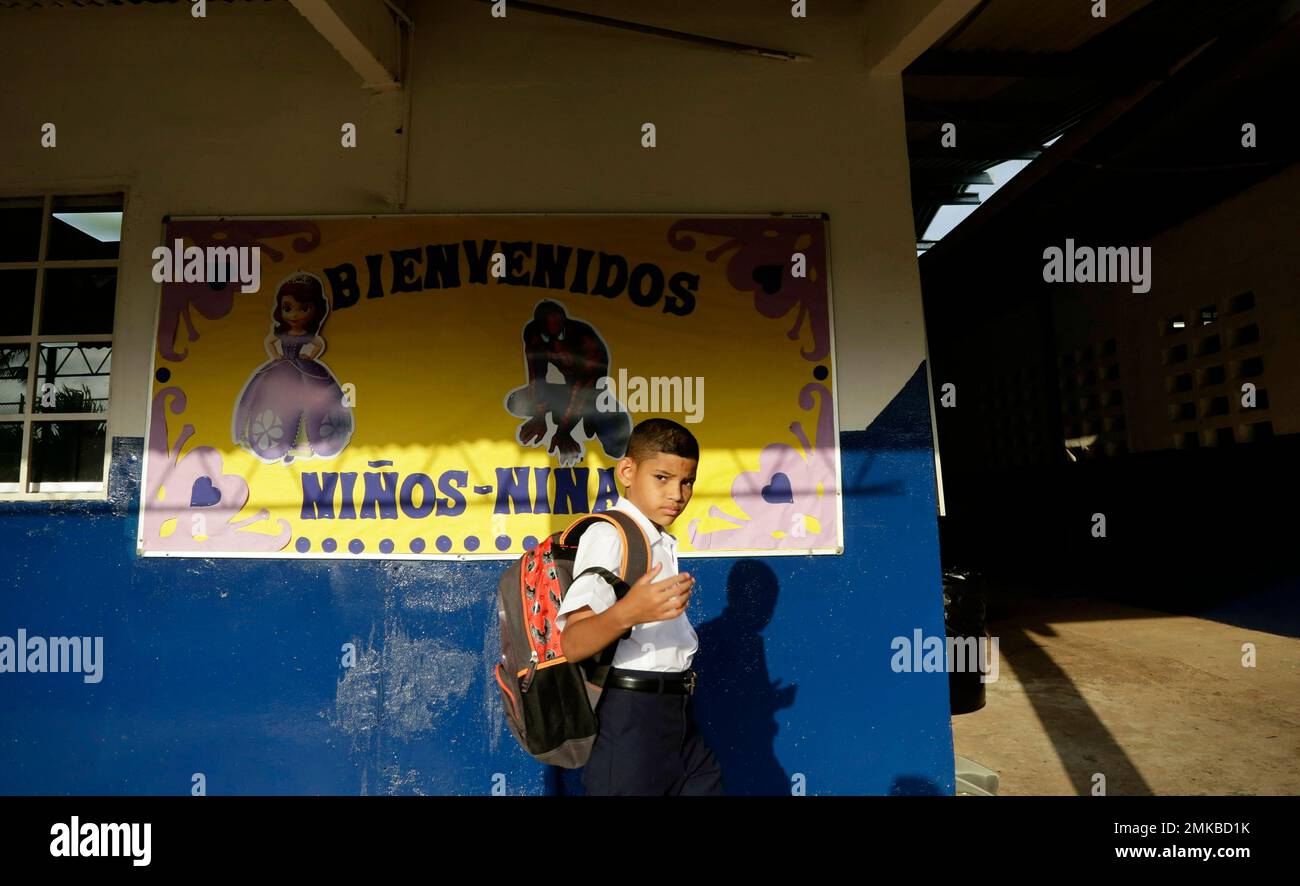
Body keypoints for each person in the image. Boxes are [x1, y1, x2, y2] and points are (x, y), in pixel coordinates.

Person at [556, 418, 725, 795]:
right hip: (630, 719)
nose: (677, 494)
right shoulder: (610, 535)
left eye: (687, 482)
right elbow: (573, 643)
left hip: (678, 720)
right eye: (662, 478)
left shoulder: (658, 538)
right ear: (627, 471)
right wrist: (630, 611)